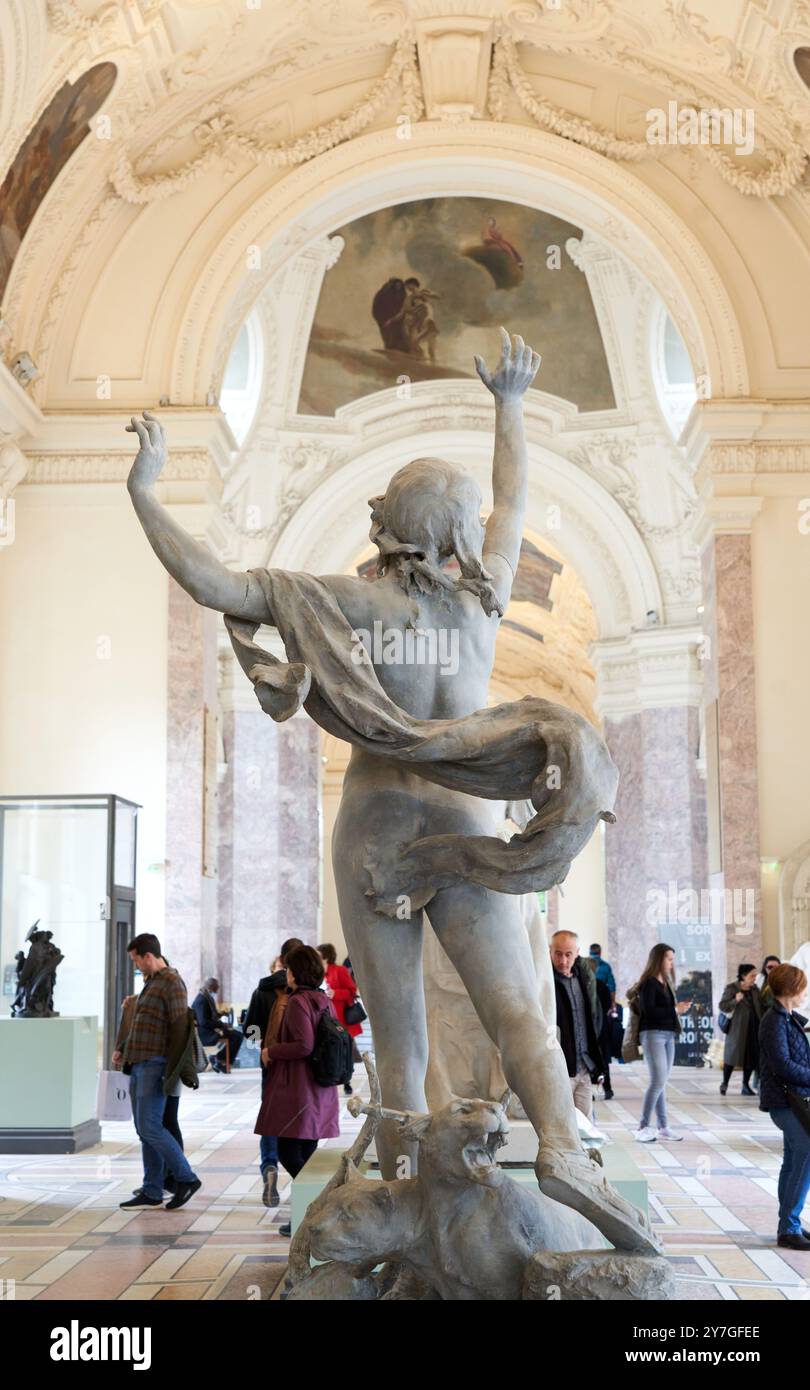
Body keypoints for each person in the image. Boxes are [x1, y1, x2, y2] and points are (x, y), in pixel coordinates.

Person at [125, 331, 654, 1254]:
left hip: (374, 826)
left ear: (388, 525)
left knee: (403, 1044)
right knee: (516, 1008)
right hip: (462, 822)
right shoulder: (482, 609)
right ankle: (566, 1149)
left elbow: (215, 581)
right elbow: (514, 498)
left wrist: (145, 490)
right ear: (454, 536)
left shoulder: (346, 603)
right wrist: (511, 404)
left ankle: (412, 1213)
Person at [256, 944, 340, 1237]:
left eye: (289, 969)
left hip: (299, 1088)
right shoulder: (324, 1000)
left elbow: (303, 1045)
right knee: (306, 1153)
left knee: (289, 1152)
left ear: (296, 972)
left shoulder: (298, 1002)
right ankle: (309, 1217)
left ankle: (319, 1206)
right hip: (320, 1089)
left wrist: (271, 1051)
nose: (286, 974)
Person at [112, 933, 201, 1210]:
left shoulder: (172, 983)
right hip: (138, 1063)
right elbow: (143, 1023)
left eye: (136, 960)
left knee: (151, 1126)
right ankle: (152, 1189)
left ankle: (186, 1178)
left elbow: (179, 1030)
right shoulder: (151, 983)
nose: (136, 966)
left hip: (155, 1065)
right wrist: (124, 1048)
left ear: (148, 956)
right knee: (143, 1129)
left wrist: (171, 1071)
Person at [243, 937, 302, 1207]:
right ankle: (302, 1176)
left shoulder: (263, 990)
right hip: (301, 1068)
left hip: (271, 1065)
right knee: (299, 1119)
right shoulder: (306, 989)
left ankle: (269, 1165)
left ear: (281, 959)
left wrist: (263, 1049)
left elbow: (250, 1030)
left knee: (270, 1117)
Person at [758, 963, 810, 1250]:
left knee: (793, 1159)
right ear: (791, 990)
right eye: (802, 987)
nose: (805, 992)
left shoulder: (787, 1016)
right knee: (805, 1153)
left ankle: (789, 1224)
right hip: (785, 1100)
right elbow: (782, 1065)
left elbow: (800, 1032)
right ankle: (788, 1227)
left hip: (793, 1098)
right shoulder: (774, 1020)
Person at [115, 992, 184, 1199]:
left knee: (163, 1124)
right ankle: (162, 1181)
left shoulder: (169, 996)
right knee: (162, 1124)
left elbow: (253, 1025)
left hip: (164, 1068)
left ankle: (177, 1178)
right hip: (164, 1068)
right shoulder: (141, 1001)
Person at [633, 943, 690, 1143]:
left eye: (672, 959)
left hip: (667, 1034)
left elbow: (664, 1009)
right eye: (669, 959)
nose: (672, 963)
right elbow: (649, 1010)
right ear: (659, 959)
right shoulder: (649, 982)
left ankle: (663, 1126)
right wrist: (675, 1010)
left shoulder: (665, 982)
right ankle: (642, 1126)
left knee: (661, 1082)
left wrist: (677, 1008)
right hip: (653, 1034)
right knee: (657, 1081)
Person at [550, 930, 605, 1119]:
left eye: (568, 954)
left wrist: (598, 1066)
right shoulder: (546, 982)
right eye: (558, 953)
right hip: (560, 1069)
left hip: (584, 1066)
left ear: (577, 953)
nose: (563, 961)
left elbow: (590, 1023)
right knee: (562, 1126)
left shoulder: (583, 979)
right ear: (550, 951)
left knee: (587, 1129)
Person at [318, 942, 362, 1096]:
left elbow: (351, 991)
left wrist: (335, 993)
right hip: (323, 1017)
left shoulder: (340, 970)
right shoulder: (317, 971)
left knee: (344, 1050)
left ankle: (346, 1081)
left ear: (325, 955)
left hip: (341, 1017)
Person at [718, 964, 763, 1095]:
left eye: (755, 975)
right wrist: (735, 1001)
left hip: (754, 1027)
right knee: (731, 1057)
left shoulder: (755, 989)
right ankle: (725, 1083)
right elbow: (723, 1006)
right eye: (752, 975)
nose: (755, 978)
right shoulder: (732, 988)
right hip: (737, 1029)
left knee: (750, 1058)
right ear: (743, 976)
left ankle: (745, 1085)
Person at [192, 976, 243, 1073]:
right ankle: (219, 1060)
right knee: (237, 1036)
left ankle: (220, 1060)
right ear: (211, 987)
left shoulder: (206, 998)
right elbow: (204, 1022)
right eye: (216, 988)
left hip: (210, 1030)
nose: (217, 990)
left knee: (238, 1036)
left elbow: (210, 1016)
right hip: (205, 1033)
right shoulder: (201, 1000)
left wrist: (222, 1014)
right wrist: (222, 1025)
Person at [583, 956, 614, 1099]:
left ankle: (591, 1091)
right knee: (603, 1060)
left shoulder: (583, 985)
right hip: (602, 1029)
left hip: (588, 1030)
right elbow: (608, 1006)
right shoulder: (602, 986)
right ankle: (607, 1089)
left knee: (589, 1060)